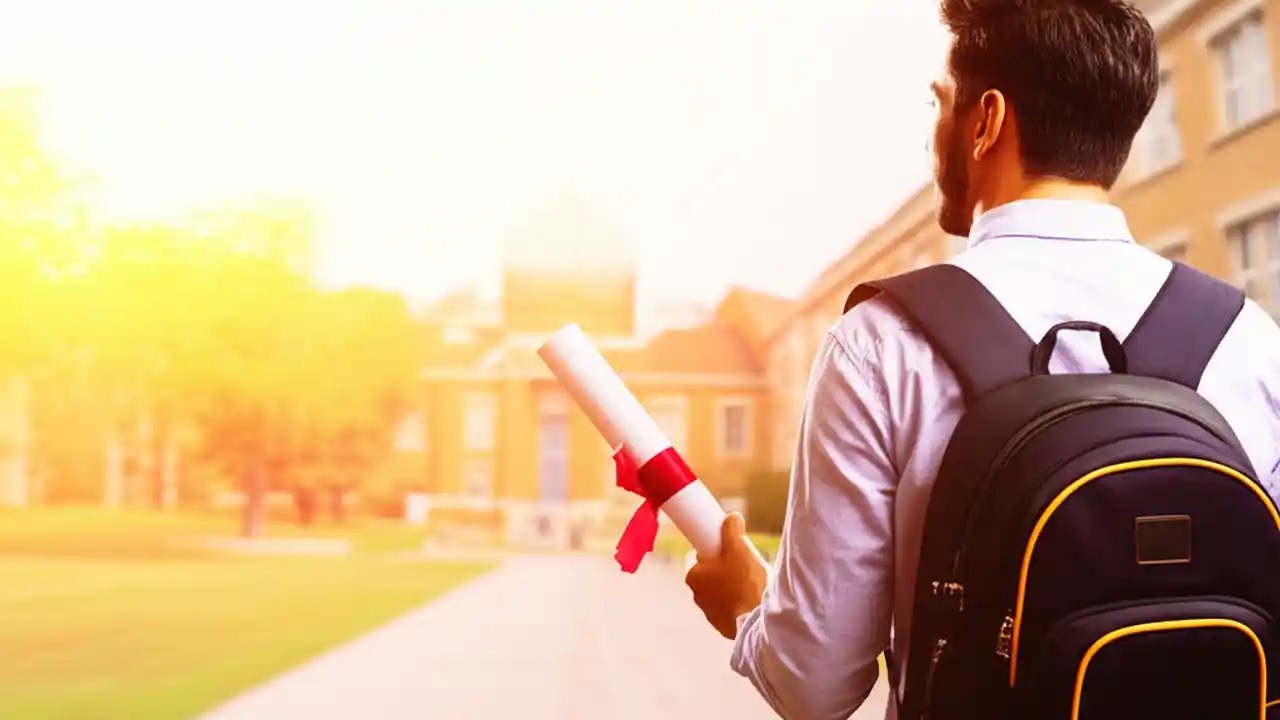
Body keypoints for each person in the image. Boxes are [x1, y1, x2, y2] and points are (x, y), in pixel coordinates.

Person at [684, 1, 1280, 718]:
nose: (934, 131)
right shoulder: (1247, 336)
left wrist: (751, 608)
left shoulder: (882, 345)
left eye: (941, 105)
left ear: (985, 121)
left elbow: (816, 685)